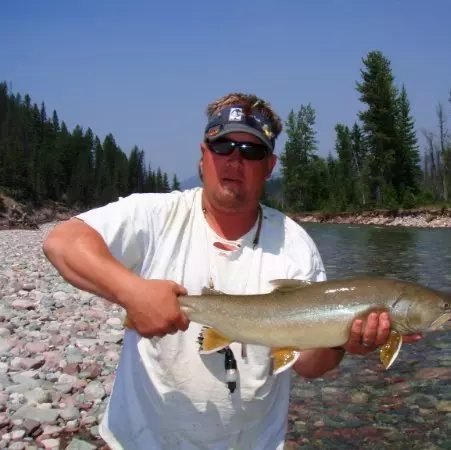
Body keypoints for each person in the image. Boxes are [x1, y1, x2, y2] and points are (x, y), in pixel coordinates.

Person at [43, 92, 421, 450]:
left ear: (270, 166)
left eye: (252, 151)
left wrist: (344, 342)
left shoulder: (295, 244)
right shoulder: (154, 215)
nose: (234, 161)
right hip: (139, 440)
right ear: (203, 155)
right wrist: (132, 291)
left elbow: (308, 364)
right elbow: (62, 242)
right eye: (223, 146)